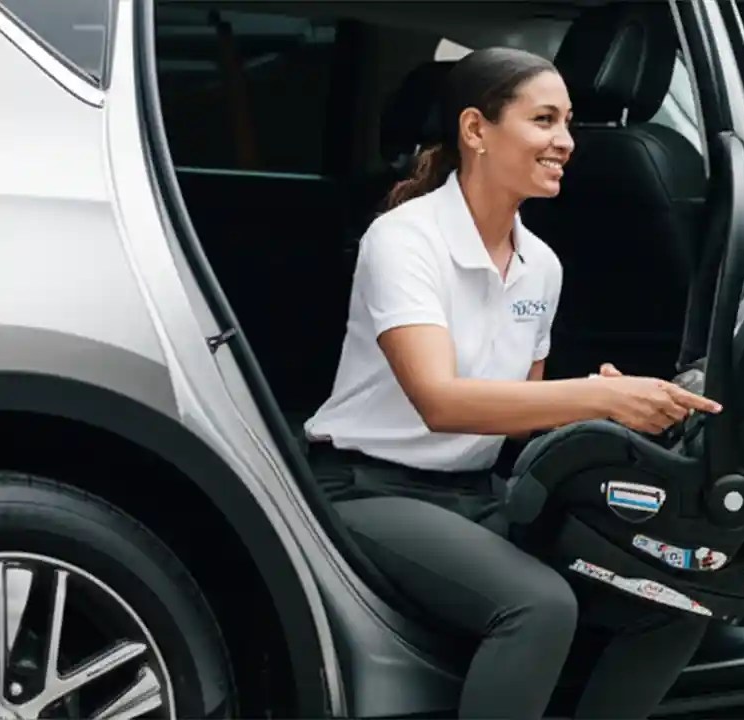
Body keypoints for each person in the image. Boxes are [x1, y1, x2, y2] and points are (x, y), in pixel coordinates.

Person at [303, 47, 721, 719]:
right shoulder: (404, 239)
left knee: (671, 598)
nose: (565, 142)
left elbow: (518, 418)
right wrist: (597, 395)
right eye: (544, 120)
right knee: (539, 606)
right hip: (365, 489)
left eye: (569, 123)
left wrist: (610, 408)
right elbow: (440, 402)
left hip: (474, 495)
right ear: (476, 130)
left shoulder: (541, 265)